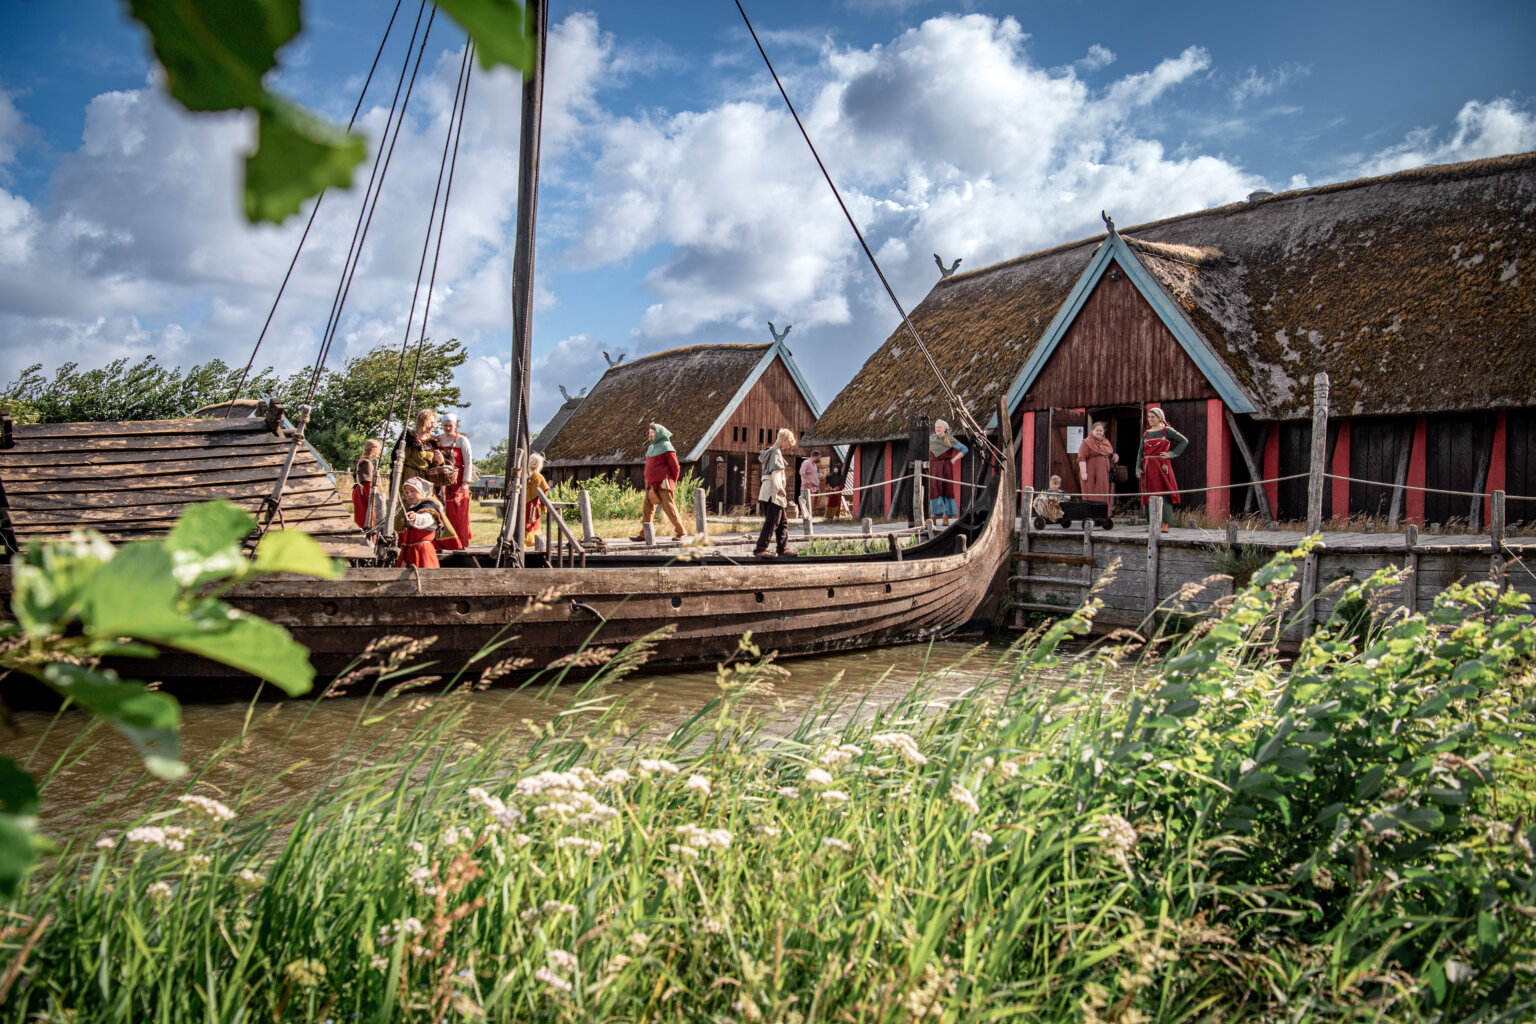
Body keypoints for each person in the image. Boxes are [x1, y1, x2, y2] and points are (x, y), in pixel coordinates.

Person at [630, 423, 688, 543]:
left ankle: (681, 532)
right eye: (650, 433)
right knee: (647, 508)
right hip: (651, 484)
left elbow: (675, 467)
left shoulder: (667, 447)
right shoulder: (651, 448)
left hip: (664, 483)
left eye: (652, 433)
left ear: (659, 434)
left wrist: (671, 481)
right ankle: (645, 534)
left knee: (669, 508)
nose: (650, 435)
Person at [1136, 406, 1188, 533]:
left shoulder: (1167, 431)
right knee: (1149, 493)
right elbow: (1140, 452)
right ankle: (1152, 523)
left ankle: (1165, 523)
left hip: (1162, 466)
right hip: (1148, 466)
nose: (1150, 419)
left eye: (1152, 417)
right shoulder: (1146, 434)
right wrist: (1137, 468)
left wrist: (1172, 454)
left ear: (1159, 418)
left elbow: (1184, 441)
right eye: (1148, 417)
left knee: (1164, 492)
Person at [754, 427, 798, 558]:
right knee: (772, 521)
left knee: (783, 522)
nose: (788, 447)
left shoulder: (769, 451)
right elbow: (775, 473)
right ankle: (760, 548)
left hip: (769, 489)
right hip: (773, 491)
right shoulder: (776, 453)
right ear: (783, 440)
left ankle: (782, 548)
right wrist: (780, 488)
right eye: (788, 443)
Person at [394, 477, 454, 568]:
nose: (409, 494)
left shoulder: (429, 508)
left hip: (422, 553)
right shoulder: (413, 508)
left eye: (413, 490)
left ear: (421, 490)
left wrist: (416, 518)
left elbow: (426, 519)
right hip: (408, 552)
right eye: (407, 492)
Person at [435, 412, 473, 551]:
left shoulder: (462, 440)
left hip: (457, 481)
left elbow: (468, 462)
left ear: (455, 425)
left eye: (450, 425)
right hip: (441, 480)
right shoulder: (438, 440)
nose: (447, 428)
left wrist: (465, 482)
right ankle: (442, 543)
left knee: (458, 513)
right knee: (441, 512)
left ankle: (460, 543)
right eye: (445, 425)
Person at [927, 419, 969, 527]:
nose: (938, 429)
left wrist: (954, 459)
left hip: (946, 467)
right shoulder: (931, 439)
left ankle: (946, 517)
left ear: (945, 429)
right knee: (934, 490)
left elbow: (964, 449)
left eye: (940, 427)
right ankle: (934, 516)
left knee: (946, 490)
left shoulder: (949, 439)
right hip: (934, 467)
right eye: (936, 427)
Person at [1076, 420, 1118, 505]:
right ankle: (1091, 515)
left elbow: (1108, 453)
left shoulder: (1105, 442)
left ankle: (1103, 515)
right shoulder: (1086, 442)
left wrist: (1114, 455)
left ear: (1103, 432)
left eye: (1100, 431)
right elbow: (1081, 457)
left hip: (1103, 475)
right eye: (1097, 430)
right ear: (1092, 431)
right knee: (1091, 493)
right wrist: (1084, 472)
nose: (1099, 432)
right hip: (1091, 474)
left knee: (1103, 493)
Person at [351, 437, 386, 532]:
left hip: (359, 492)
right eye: (378, 449)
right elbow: (367, 483)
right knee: (368, 520)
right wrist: (373, 501)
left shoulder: (362, 461)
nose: (378, 452)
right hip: (364, 492)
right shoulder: (367, 463)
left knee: (362, 520)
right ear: (372, 450)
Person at [401, 409, 445, 480]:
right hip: (410, 477)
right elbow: (401, 462)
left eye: (434, 423)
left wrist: (439, 461)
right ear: (422, 422)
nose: (433, 426)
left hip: (426, 479)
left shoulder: (432, 440)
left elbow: (433, 465)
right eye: (431, 423)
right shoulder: (410, 437)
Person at [524, 452, 549, 549]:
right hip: (533, 506)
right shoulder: (539, 477)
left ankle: (522, 542)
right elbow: (543, 496)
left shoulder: (524, 476)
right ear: (539, 465)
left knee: (523, 524)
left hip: (521, 506)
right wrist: (544, 507)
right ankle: (531, 543)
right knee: (532, 524)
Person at [799, 449, 821, 518]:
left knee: (813, 504)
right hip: (808, 486)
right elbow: (802, 472)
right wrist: (808, 481)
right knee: (808, 503)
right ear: (815, 457)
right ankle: (807, 517)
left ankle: (811, 517)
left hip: (815, 487)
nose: (819, 459)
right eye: (819, 458)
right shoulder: (806, 462)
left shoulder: (814, 465)